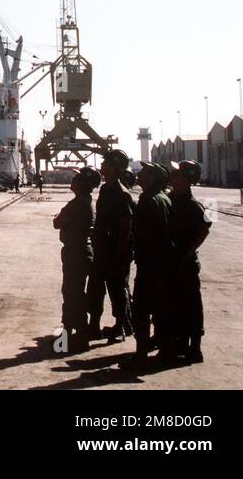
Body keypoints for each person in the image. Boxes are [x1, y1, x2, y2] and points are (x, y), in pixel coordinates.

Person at [164, 160, 211, 362]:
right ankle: (179, 343)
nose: (172, 177)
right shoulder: (170, 198)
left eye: (176, 175)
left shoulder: (193, 205)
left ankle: (195, 347)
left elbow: (204, 229)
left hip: (185, 264)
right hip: (172, 261)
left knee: (191, 305)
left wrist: (187, 253)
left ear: (186, 179)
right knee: (174, 304)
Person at [87, 150, 135, 342]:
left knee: (117, 290)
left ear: (115, 168)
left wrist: (119, 253)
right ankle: (94, 324)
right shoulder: (106, 189)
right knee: (96, 288)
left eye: (105, 164)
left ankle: (121, 327)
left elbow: (126, 227)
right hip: (102, 249)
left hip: (115, 251)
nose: (102, 166)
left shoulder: (121, 193)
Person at [54, 167, 100, 351]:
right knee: (73, 292)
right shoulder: (83, 202)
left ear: (84, 184)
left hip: (76, 252)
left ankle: (79, 338)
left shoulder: (78, 204)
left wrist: (59, 217)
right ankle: (70, 334)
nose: (73, 180)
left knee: (74, 294)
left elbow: (57, 222)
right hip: (79, 251)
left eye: (78, 178)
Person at [131, 162, 173, 361]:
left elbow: (144, 234)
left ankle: (141, 355)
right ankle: (162, 349)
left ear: (153, 178)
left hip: (150, 262)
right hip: (161, 261)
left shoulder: (149, 199)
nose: (138, 175)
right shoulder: (164, 198)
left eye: (144, 173)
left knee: (141, 308)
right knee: (160, 306)